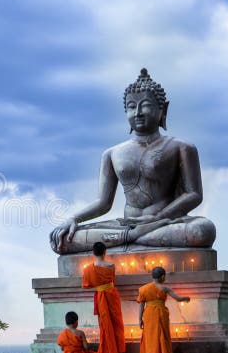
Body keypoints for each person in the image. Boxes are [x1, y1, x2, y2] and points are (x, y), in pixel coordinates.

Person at [50, 68, 216, 254]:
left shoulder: (181, 147)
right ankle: (136, 238)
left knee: (202, 231)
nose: (137, 112)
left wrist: (158, 217)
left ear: (163, 110)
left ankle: (126, 241)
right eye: (130, 107)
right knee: (62, 238)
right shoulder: (112, 153)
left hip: (164, 224)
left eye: (145, 105)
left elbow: (193, 194)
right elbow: (103, 202)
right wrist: (74, 218)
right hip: (125, 226)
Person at [81, 241, 128, 353]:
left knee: (104, 325)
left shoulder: (88, 269)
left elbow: (86, 285)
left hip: (101, 296)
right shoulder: (111, 266)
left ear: (93, 253)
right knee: (118, 324)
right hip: (112, 294)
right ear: (105, 252)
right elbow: (113, 280)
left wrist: (99, 285)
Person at [137, 266, 190, 353]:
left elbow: (141, 305)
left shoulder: (144, 289)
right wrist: (186, 298)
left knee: (148, 336)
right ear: (162, 277)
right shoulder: (165, 288)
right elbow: (177, 298)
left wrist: (139, 319)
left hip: (149, 314)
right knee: (160, 337)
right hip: (161, 314)